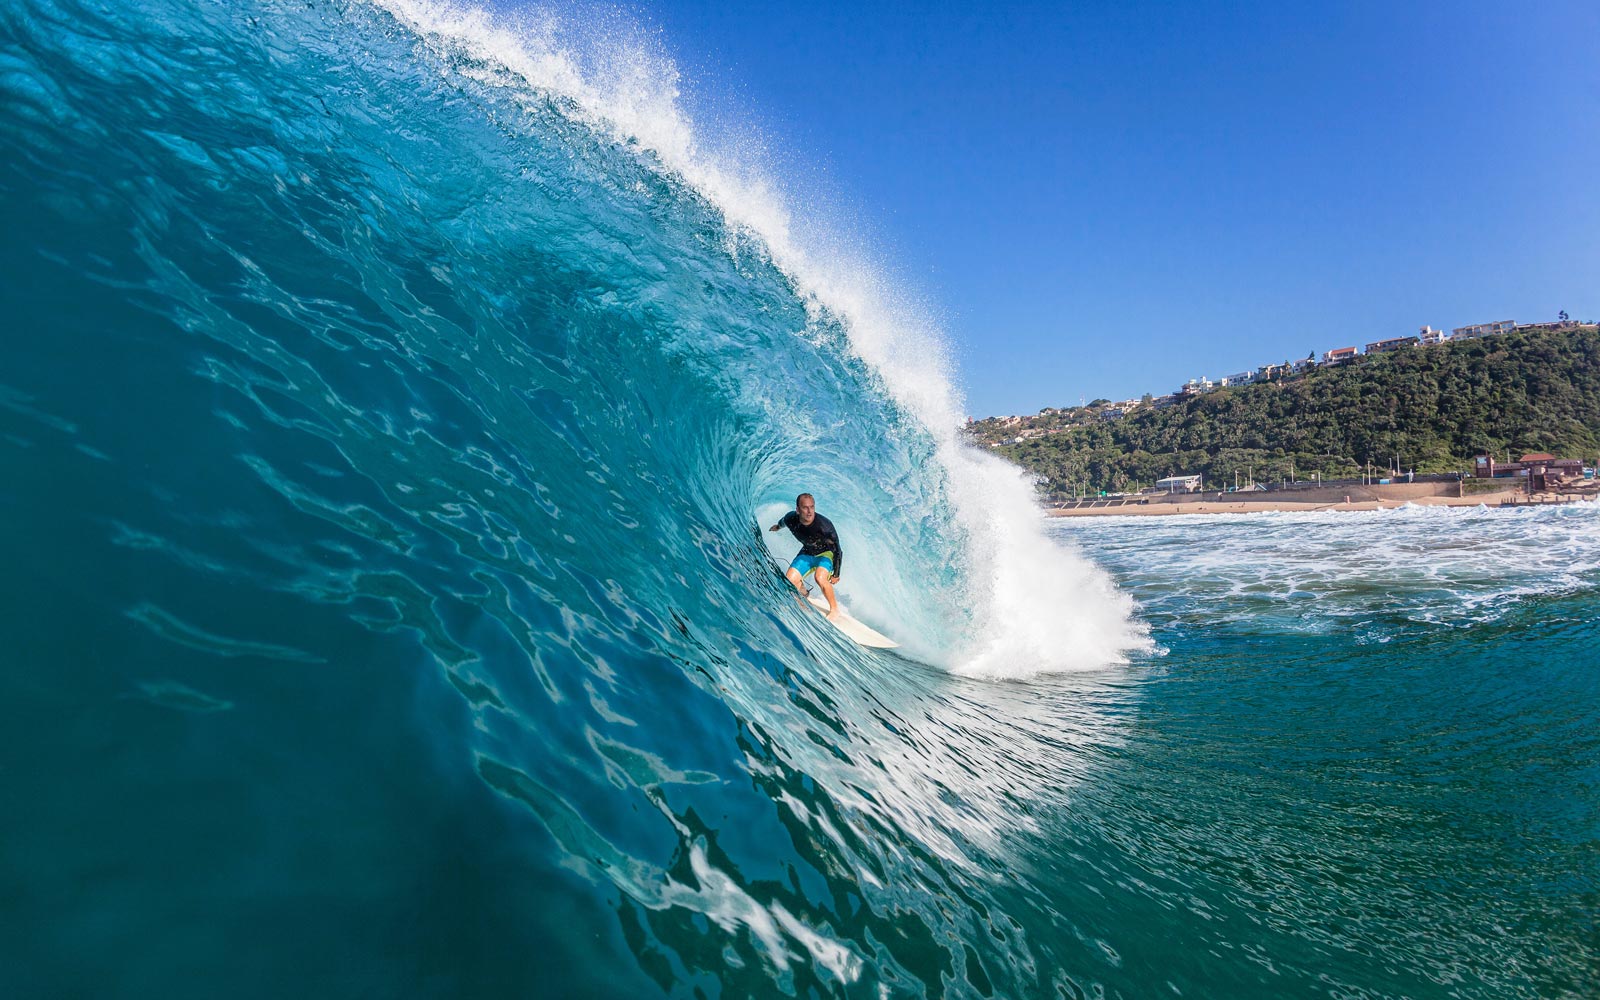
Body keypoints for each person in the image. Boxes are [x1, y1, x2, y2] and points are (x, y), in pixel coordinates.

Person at [768, 493, 843, 620]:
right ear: (798, 510)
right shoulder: (790, 518)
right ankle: (801, 600)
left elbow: (838, 550)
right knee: (790, 580)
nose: (809, 512)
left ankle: (834, 609)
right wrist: (777, 527)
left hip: (826, 554)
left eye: (812, 507)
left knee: (819, 577)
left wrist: (836, 574)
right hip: (807, 552)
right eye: (805, 508)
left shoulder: (825, 526)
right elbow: (783, 522)